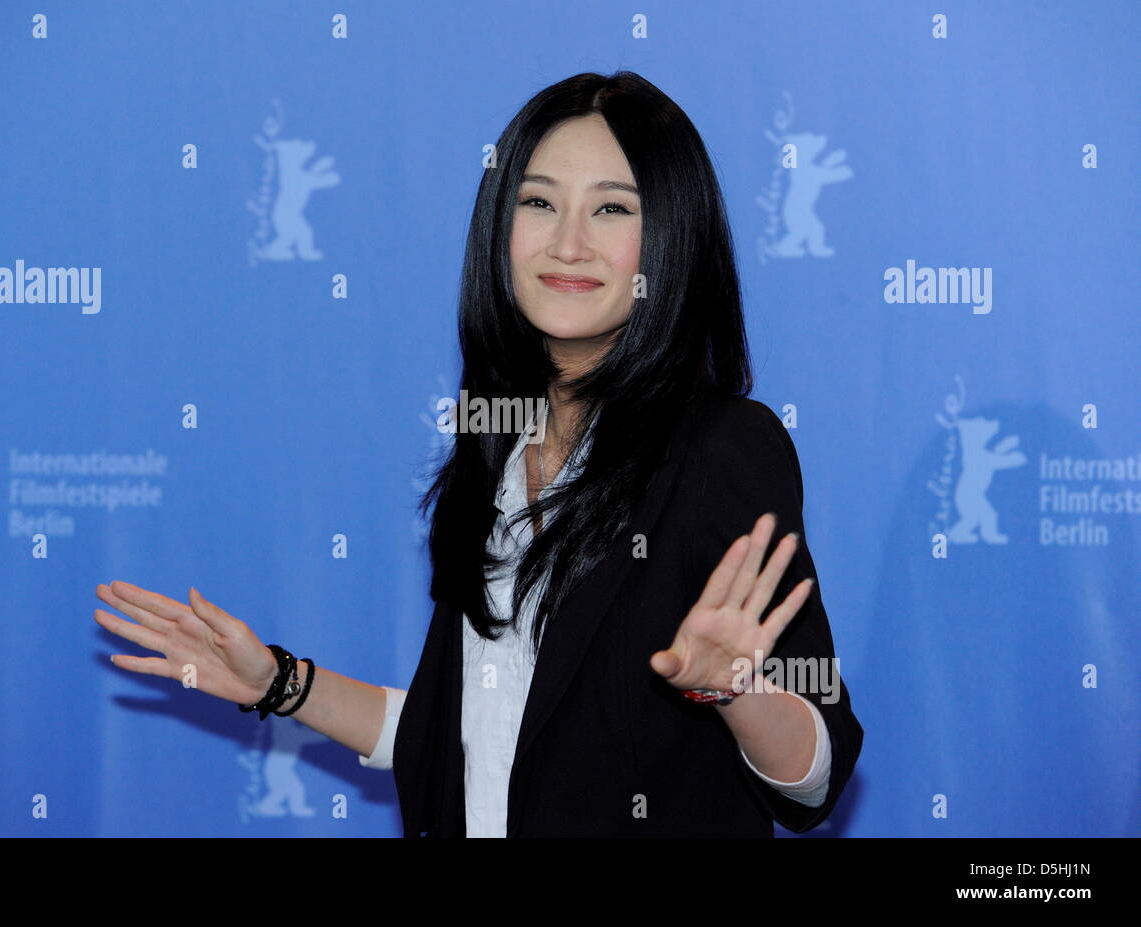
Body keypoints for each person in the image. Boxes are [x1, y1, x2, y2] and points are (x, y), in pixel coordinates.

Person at [94, 70, 863, 837]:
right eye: (538, 201)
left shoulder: (720, 445)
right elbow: (466, 745)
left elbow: (816, 777)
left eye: (611, 208)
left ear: (669, 236)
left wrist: (737, 690)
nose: (568, 242)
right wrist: (279, 684)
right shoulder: (497, 441)